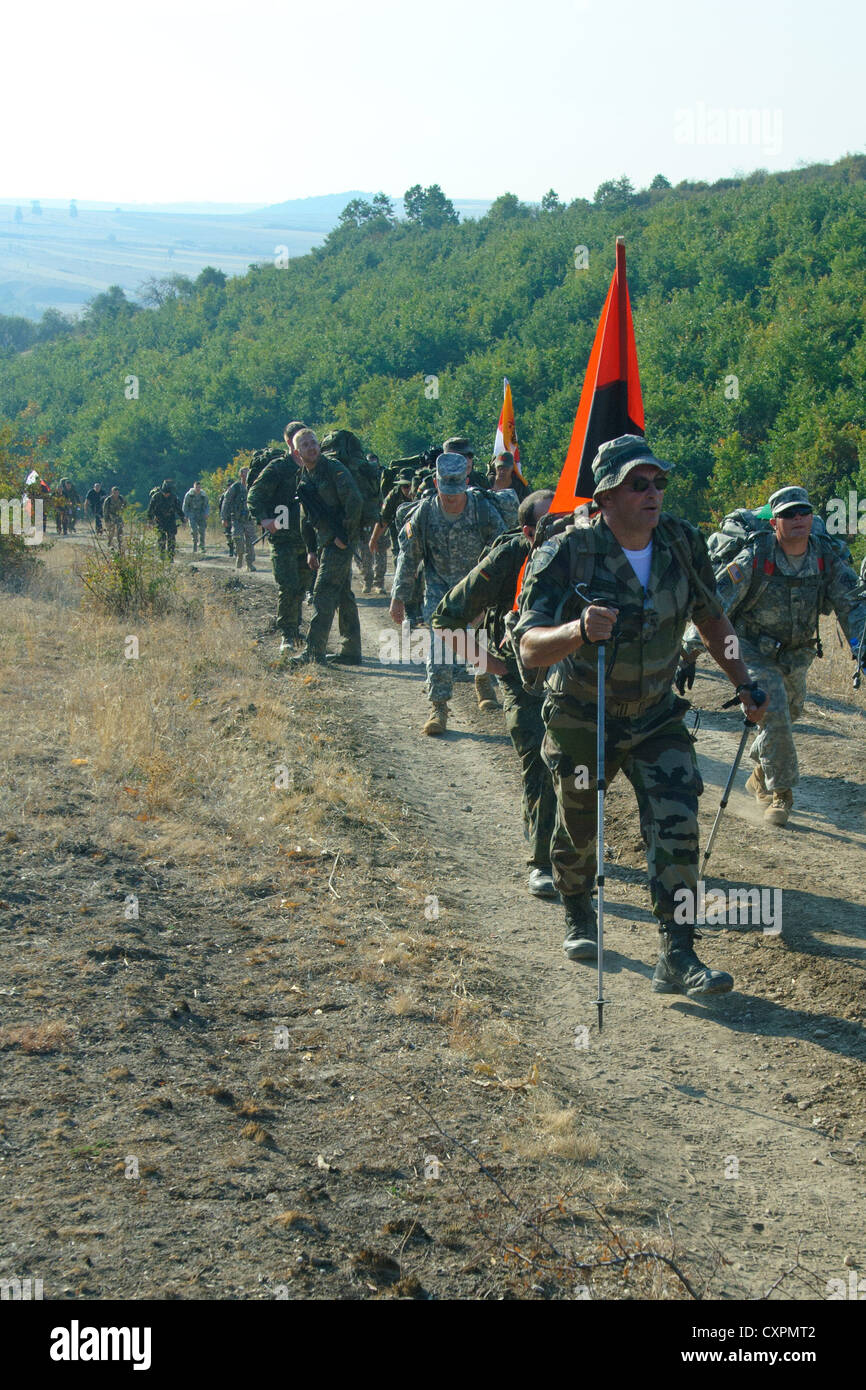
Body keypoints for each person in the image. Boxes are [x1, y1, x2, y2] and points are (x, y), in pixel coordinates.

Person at [514, 434, 768, 997]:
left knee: (677, 825)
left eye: (658, 482)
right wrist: (577, 630)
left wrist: (743, 681)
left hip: (656, 715)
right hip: (584, 715)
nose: (653, 493)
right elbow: (527, 645)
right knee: (579, 824)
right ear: (605, 496)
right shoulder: (566, 553)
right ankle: (578, 909)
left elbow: (711, 618)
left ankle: (678, 953)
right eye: (638, 484)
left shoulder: (680, 542)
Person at [681, 485, 866, 827]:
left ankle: (759, 774)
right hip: (748, 647)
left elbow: (852, 605)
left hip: (797, 653)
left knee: (787, 715)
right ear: (773, 522)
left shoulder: (825, 557)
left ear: (812, 518)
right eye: (788, 514)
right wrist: (687, 650)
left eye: (803, 513)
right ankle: (781, 794)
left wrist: (861, 648)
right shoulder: (755, 557)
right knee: (775, 709)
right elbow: (714, 605)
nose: (798, 519)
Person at [433, 489, 559, 897]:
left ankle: (571, 838)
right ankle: (542, 861)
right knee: (540, 754)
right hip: (523, 676)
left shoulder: (588, 550)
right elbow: (446, 617)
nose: (563, 526)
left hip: (573, 671)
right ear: (528, 530)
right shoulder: (509, 558)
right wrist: (494, 665)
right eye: (550, 521)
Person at [390, 452, 505, 734]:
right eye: (446, 490)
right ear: (436, 483)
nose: (452, 498)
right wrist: (398, 597)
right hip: (439, 587)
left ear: (466, 481)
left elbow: (503, 551)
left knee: (481, 635)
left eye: (457, 490)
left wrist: (496, 595)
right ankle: (438, 707)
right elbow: (409, 557)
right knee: (440, 644)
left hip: (478, 584)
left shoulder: (482, 510)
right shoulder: (425, 513)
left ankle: (483, 680)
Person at [289, 428, 363, 666]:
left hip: (338, 541)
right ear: (298, 452)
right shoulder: (304, 476)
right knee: (343, 594)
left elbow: (355, 502)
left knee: (323, 593)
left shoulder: (334, 469)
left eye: (314, 443)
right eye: (306, 445)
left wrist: (346, 537)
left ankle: (314, 651)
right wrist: (310, 549)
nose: (311, 448)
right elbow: (307, 517)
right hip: (324, 543)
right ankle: (351, 650)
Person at [247, 439, 307, 653]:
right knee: (288, 586)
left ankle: (296, 630)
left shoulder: (315, 466)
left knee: (301, 588)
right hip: (283, 539)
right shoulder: (279, 468)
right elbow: (254, 496)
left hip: (307, 539)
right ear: (291, 443)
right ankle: (287, 635)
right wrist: (264, 519)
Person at [221, 467, 258, 571]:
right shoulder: (235, 487)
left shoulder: (253, 486)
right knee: (239, 541)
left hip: (249, 520)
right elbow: (226, 502)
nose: (247, 474)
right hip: (237, 520)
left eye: (248, 472)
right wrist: (224, 518)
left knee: (251, 542)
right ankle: (239, 555)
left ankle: (249, 563)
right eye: (245, 472)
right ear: (241, 474)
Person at [147, 479, 184, 561]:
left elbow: (178, 509)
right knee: (161, 539)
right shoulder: (156, 497)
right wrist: (150, 520)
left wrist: (182, 518)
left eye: (168, 493)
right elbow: (151, 509)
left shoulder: (173, 497)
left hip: (170, 520)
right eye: (165, 493)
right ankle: (162, 555)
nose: (166, 494)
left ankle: (170, 557)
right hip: (160, 521)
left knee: (171, 539)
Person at [182, 481, 210, 555]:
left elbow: (207, 505)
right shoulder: (189, 495)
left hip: (201, 513)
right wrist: (185, 516)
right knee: (194, 529)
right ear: (194, 487)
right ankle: (195, 544)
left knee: (202, 530)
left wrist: (207, 513)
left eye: (199, 487)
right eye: (196, 487)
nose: (198, 489)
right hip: (192, 513)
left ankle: (202, 546)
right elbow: (185, 506)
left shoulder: (203, 495)